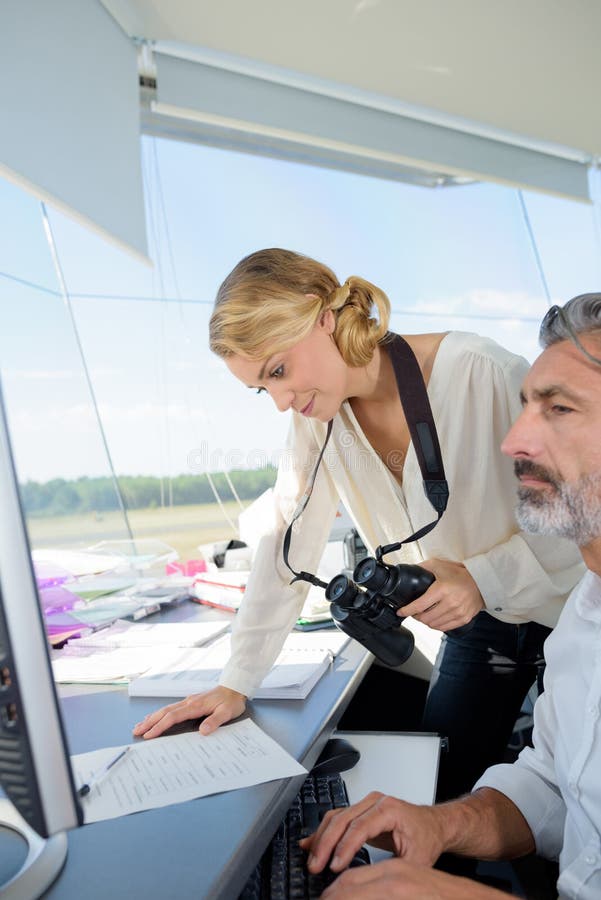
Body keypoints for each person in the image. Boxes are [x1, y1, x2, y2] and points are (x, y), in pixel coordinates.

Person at [133, 248, 582, 806]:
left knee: (579, 795)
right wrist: (237, 682)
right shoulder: (316, 420)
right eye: (260, 388)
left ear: (322, 316)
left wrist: (479, 577)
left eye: (278, 371)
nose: (279, 402)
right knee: (434, 795)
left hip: (572, 615)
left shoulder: (480, 372)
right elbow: (286, 543)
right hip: (480, 630)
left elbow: (587, 512)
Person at [301, 293, 601, 900]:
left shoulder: (475, 365)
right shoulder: (582, 624)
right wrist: (438, 823)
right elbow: (551, 785)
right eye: (524, 410)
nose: (513, 440)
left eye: (560, 409)